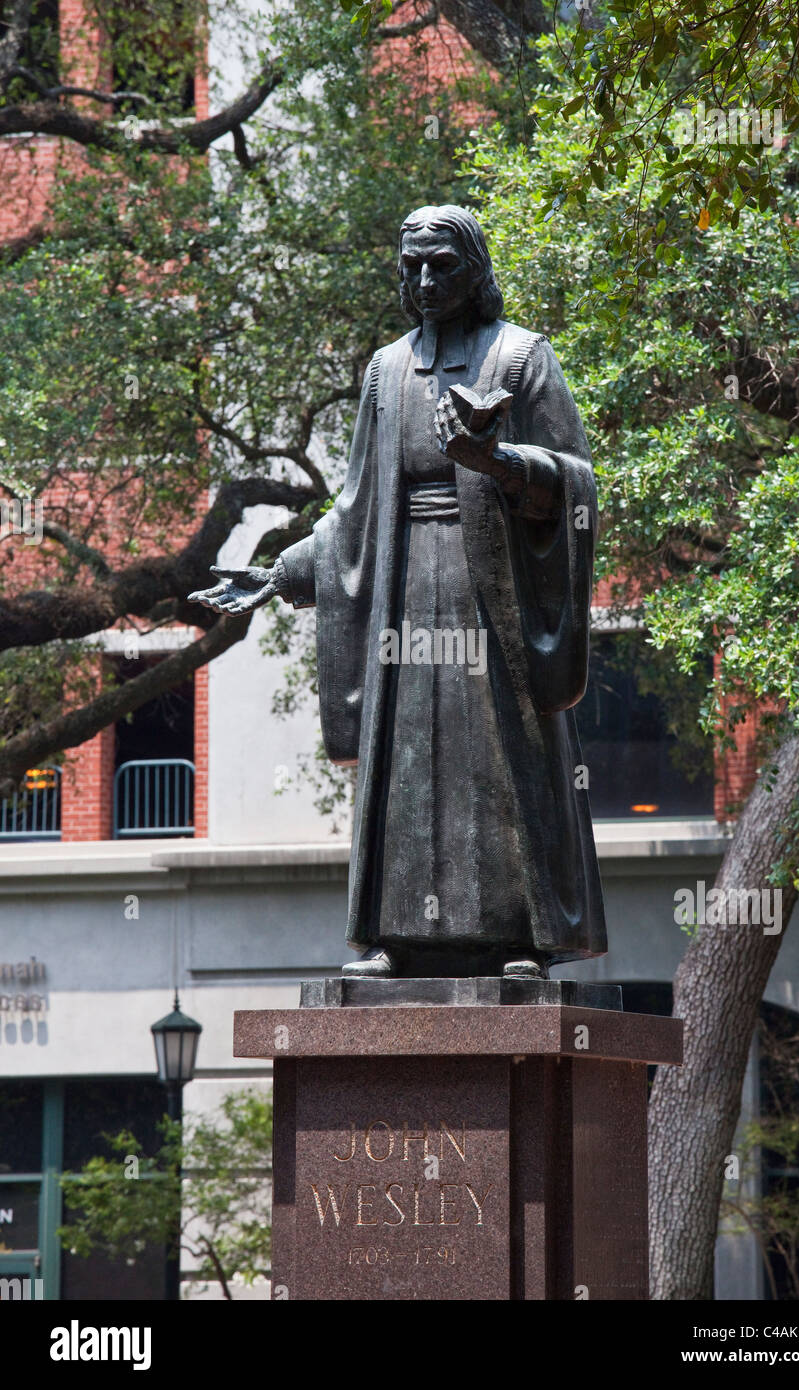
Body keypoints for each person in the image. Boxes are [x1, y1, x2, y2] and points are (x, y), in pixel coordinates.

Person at [191, 204, 606, 979]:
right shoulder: (386, 371)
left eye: (440, 265)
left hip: (494, 596)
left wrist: (501, 464)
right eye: (411, 266)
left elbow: (576, 487)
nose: (423, 280)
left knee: (496, 759)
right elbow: (356, 514)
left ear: (474, 270)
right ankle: (401, 936)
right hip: (403, 594)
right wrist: (278, 572)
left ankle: (518, 937)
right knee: (405, 760)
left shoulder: (521, 359)